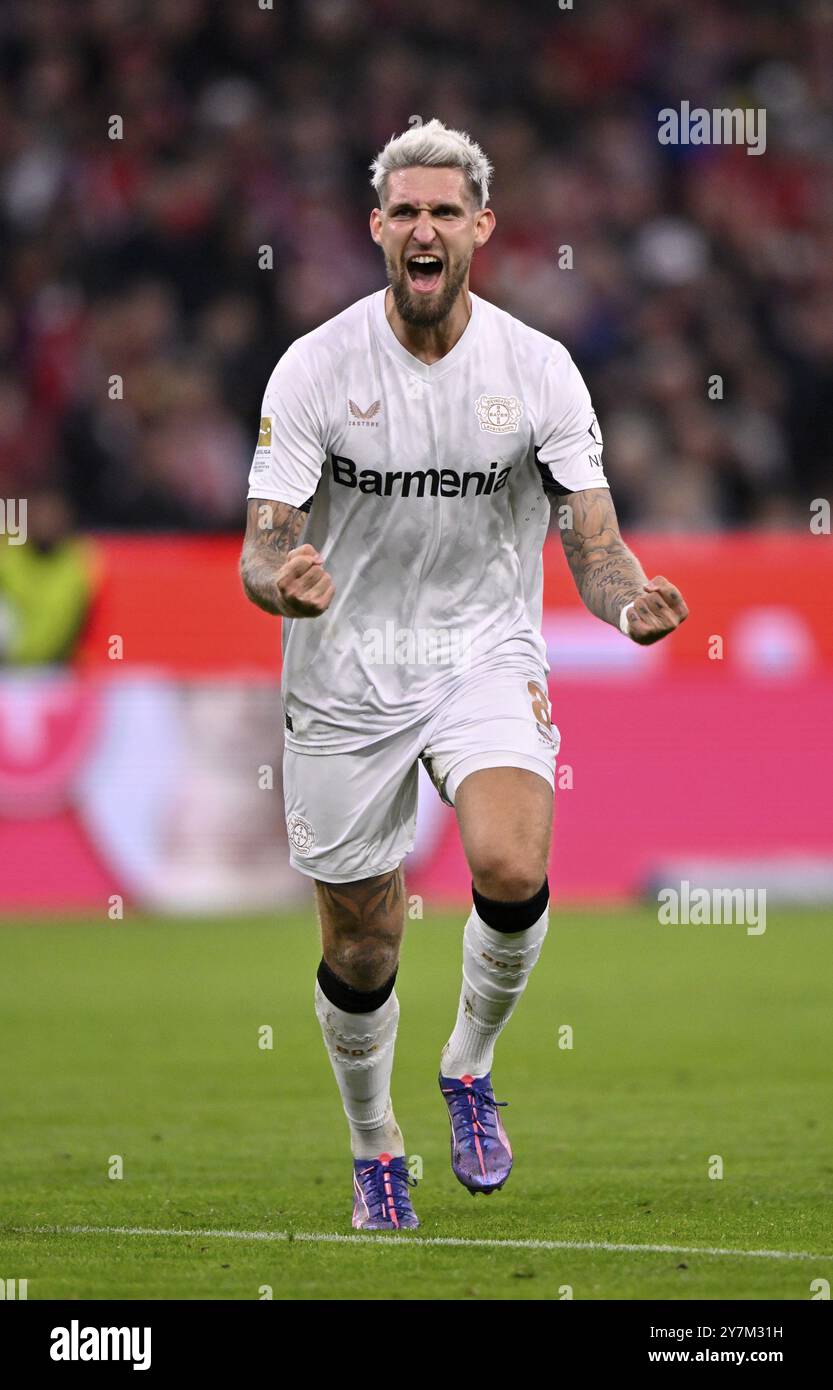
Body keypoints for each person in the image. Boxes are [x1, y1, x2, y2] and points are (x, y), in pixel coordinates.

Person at [239, 120, 689, 1231]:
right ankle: (373, 1145)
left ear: (479, 228)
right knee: (362, 935)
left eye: (446, 211)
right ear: (378, 228)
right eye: (406, 211)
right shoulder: (314, 367)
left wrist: (627, 598)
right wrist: (277, 582)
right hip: (343, 669)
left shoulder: (536, 369)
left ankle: (469, 1066)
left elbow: (591, 542)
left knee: (509, 853)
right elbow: (260, 543)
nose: (425, 228)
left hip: (480, 652)